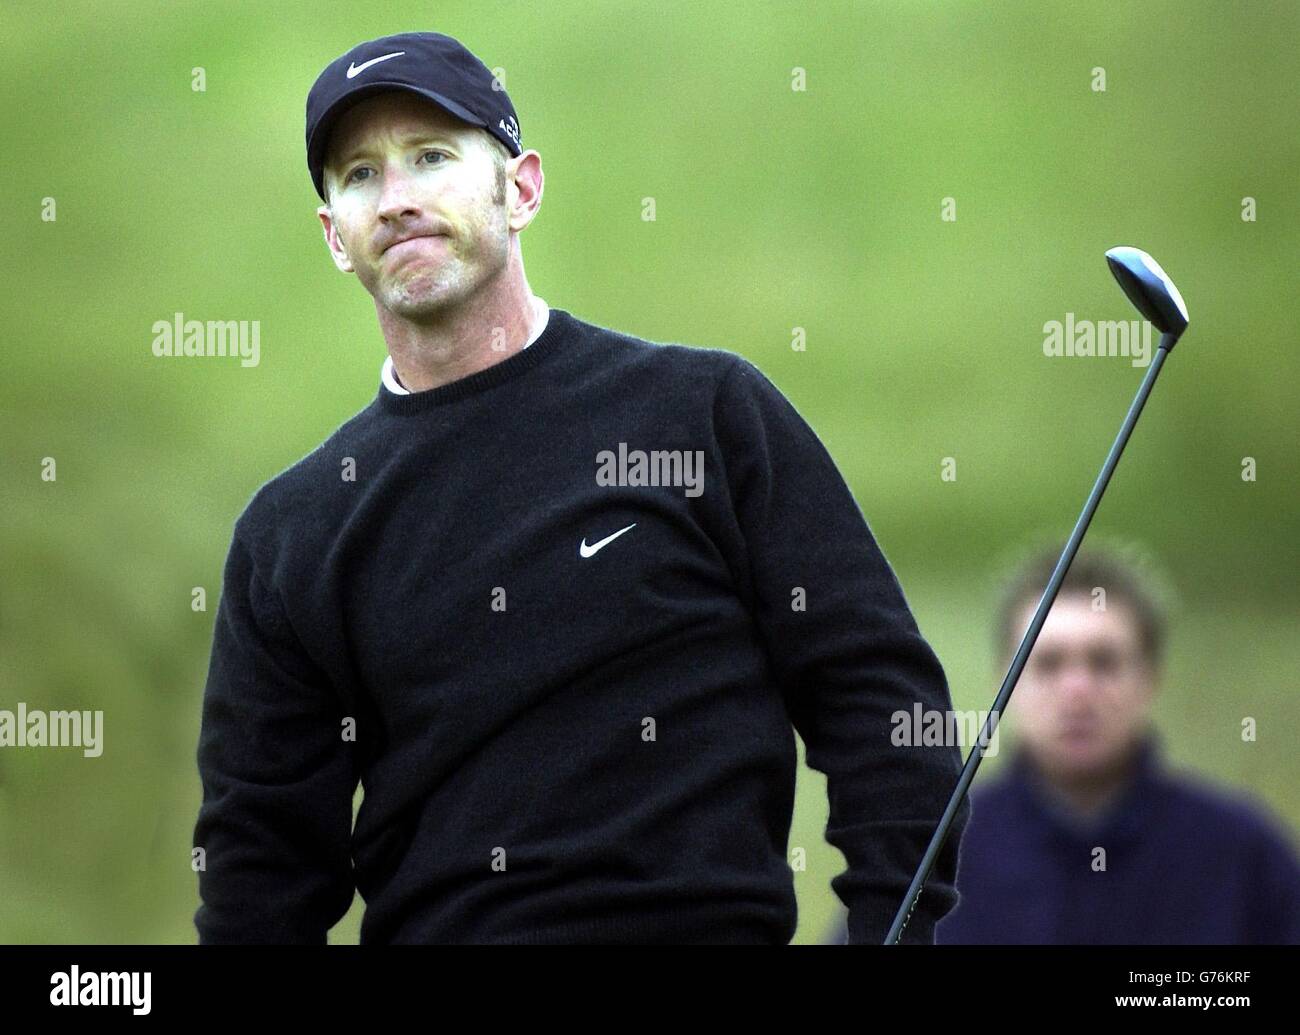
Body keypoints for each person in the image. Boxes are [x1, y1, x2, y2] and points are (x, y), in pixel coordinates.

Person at [191, 30, 967, 945]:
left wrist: (892, 929)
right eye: (359, 176)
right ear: (335, 238)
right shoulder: (294, 531)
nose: (395, 200)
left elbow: (880, 701)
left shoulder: (703, 414)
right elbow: (258, 871)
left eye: (431, 158)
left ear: (520, 188)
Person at [931, 544, 1300, 944]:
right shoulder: (940, 858)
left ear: (1150, 678)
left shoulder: (1244, 855)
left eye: (1104, 661)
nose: (1077, 690)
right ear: (1004, 681)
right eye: (1048, 663)